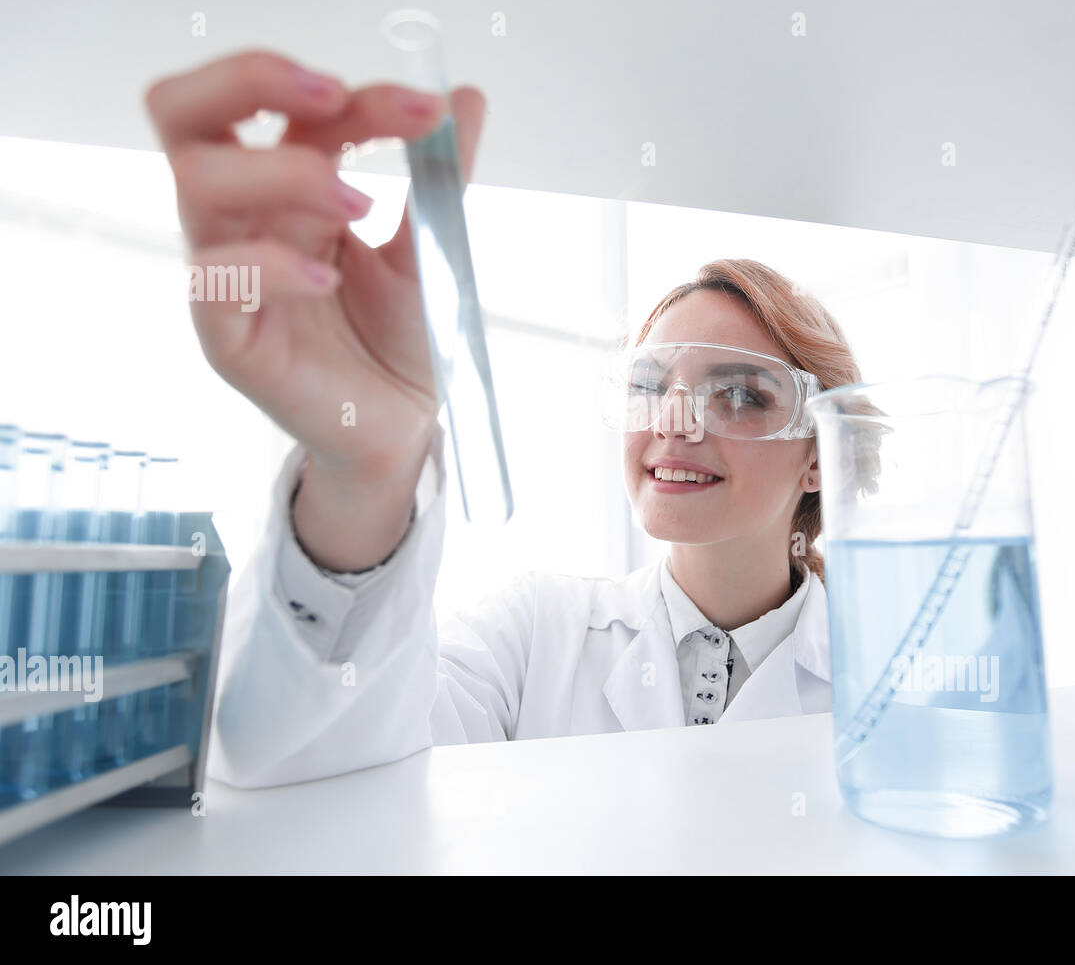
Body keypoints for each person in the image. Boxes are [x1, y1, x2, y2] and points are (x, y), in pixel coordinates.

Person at [144, 51, 877, 789]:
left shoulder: (885, 668)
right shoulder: (534, 634)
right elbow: (303, 767)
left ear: (822, 450)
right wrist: (364, 471)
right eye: (651, 386)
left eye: (743, 394)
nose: (676, 422)